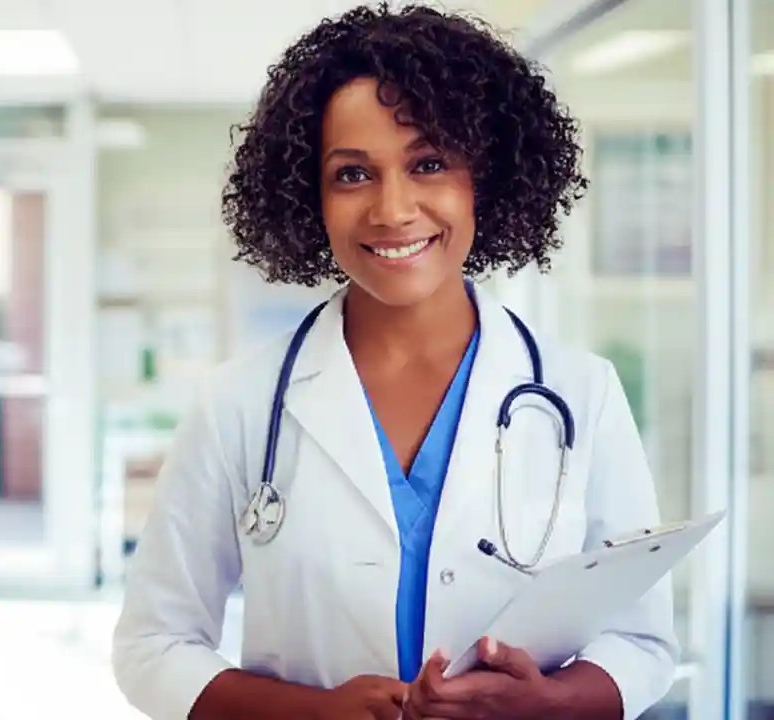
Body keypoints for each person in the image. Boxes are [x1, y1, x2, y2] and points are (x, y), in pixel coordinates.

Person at [110, 5, 678, 720]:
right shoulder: (240, 403)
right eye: (352, 174)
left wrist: (555, 704)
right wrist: (309, 714)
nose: (394, 208)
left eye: (429, 163)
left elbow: (643, 640)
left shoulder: (580, 392)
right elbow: (152, 645)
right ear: (308, 197)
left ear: (485, 176)